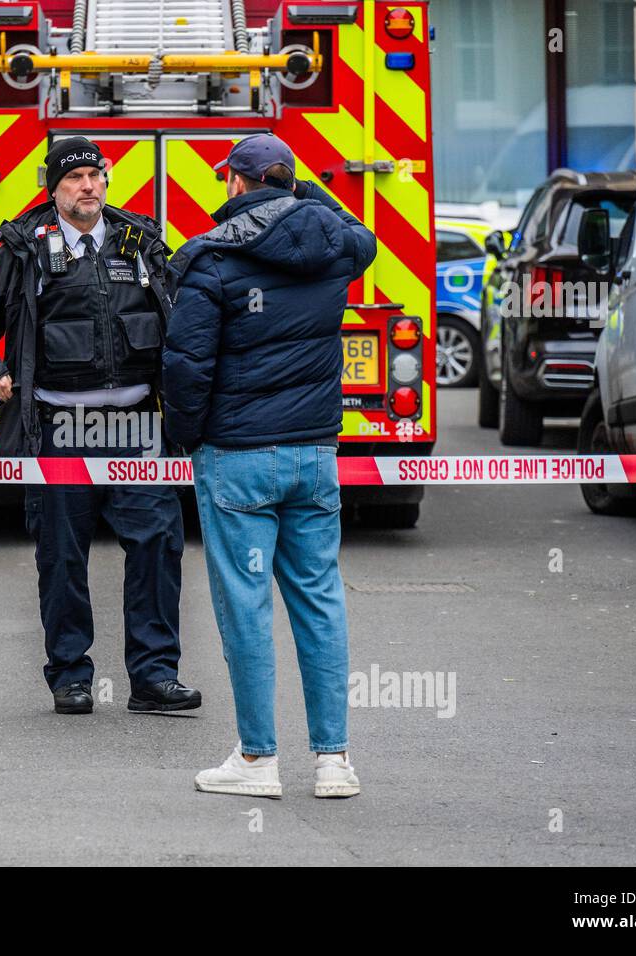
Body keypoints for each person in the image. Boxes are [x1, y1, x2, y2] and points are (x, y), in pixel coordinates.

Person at [0, 137, 200, 716]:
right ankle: (70, 674)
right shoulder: (23, 250)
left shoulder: (139, 240)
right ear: (53, 188)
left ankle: (155, 676)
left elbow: (187, 312)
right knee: (62, 555)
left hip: (138, 427)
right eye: (75, 178)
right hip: (60, 427)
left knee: (157, 545)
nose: (88, 185)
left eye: (96, 174)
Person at [162, 134, 377, 799]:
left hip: (239, 459)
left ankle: (257, 761)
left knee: (246, 608)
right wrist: (303, 194)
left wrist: (187, 441)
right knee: (320, 602)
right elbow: (362, 237)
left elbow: (186, 367)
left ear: (233, 182)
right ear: (287, 183)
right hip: (315, 454)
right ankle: (333, 760)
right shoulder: (335, 254)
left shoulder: (213, 261)